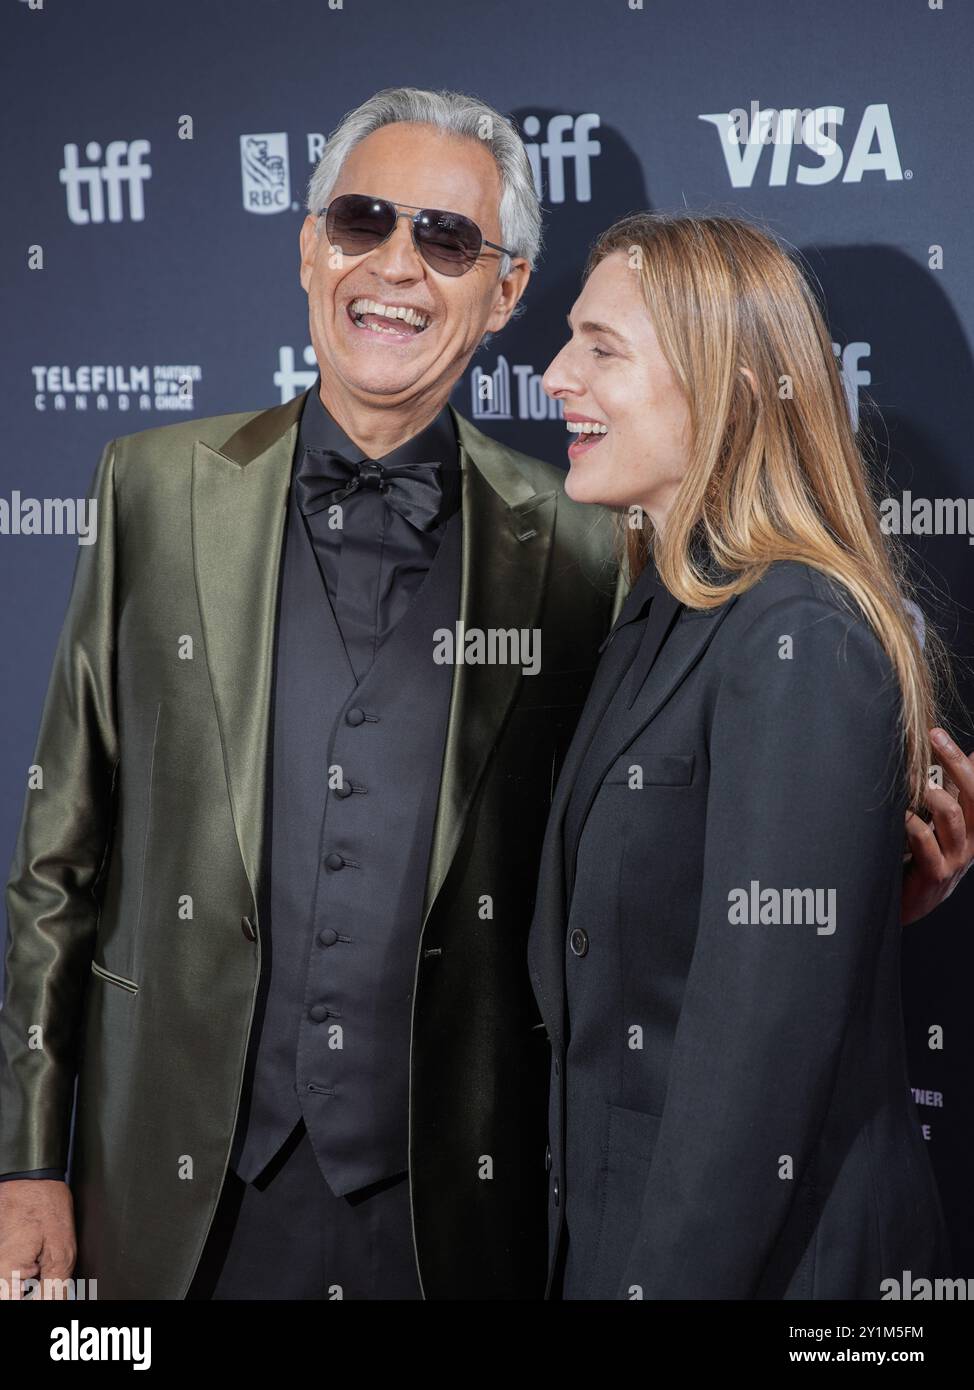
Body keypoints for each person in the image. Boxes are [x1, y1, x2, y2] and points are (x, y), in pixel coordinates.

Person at [0, 93, 969, 1302]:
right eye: (360, 220)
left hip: (459, 1219)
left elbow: (701, 879)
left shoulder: (593, 545)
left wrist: (842, 890)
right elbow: (59, 857)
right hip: (175, 1198)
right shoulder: (147, 489)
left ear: (503, 289)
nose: (394, 264)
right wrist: (26, 1157)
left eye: (446, 238)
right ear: (308, 248)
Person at [528, 211, 963, 1300]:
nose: (553, 376)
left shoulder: (800, 638)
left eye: (601, 349)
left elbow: (752, 1080)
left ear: (722, 386)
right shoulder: (663, 607)